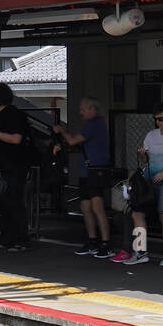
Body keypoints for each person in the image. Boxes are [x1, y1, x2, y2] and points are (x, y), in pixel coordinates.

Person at [116, 101, 163, 266]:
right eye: (156, 119)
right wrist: (142, 155)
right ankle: (140, 251)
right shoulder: (151, 135)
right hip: (149, 180)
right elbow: (144, 160)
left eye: (161, 119)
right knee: (137, 213)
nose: (158, 122)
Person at [53, 96, 112, 258]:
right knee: (86, 208)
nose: (80, 112)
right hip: (87, 172)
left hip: (94, 172)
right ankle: (93, 241)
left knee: (96, 207)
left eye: (83, 109)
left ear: (92, 109)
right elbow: (79, 144)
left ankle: (105, 243)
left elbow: (72, 141)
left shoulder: (94, 125)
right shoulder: (93, 125)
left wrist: (61, 131)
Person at [0, 83, 32, 252]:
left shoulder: (12, 115)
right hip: (4, 165)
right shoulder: (1, 115)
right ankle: (7, 238)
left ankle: (21, 239)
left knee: (14, 202)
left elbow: (15, 139)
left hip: (14, 166)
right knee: (3, 203)